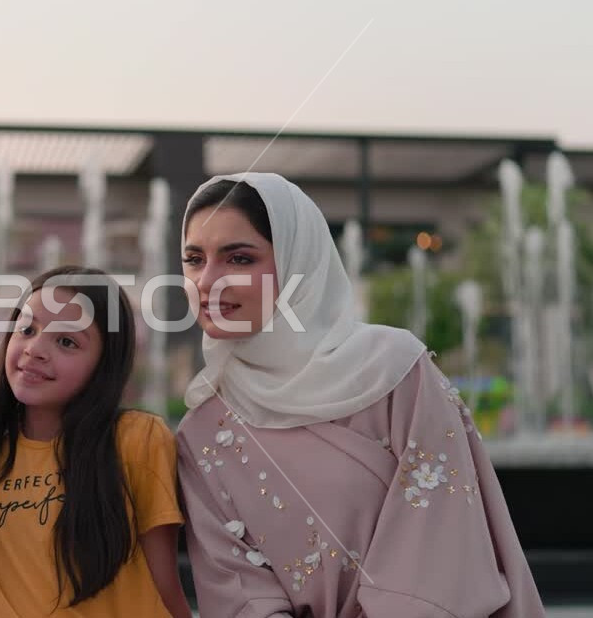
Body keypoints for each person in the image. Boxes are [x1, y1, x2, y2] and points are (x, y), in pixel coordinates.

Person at [175, 174, 545, 617]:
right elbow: (239, 594)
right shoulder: (202, 432)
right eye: (194, 260)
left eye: (239, 258)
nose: (208, 281)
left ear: (296, 265)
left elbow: (443, 540)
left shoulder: (395, 372)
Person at [0, 266, 192, 618]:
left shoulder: (137, 439)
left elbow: (167, 586)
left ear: (103, 364)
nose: (35, 350)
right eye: (27, 330)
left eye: (66, 342)